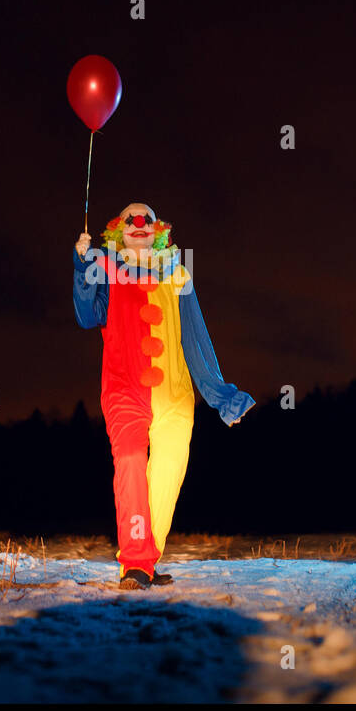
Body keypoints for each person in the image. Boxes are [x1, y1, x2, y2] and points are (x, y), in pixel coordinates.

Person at [72, 203, 255, 590]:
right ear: (117, 232)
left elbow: (196, 338)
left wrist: (222, 397)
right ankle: (136, 562)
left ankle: (147, 557)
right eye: (130, 219)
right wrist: (81, 264)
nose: (139, 223)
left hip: (174, 394)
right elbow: (88, 315)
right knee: (133, 461)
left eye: (146, 219)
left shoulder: (178, 274)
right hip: (125, 390)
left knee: (168, 473)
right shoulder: (104, 268)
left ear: (158, 231)